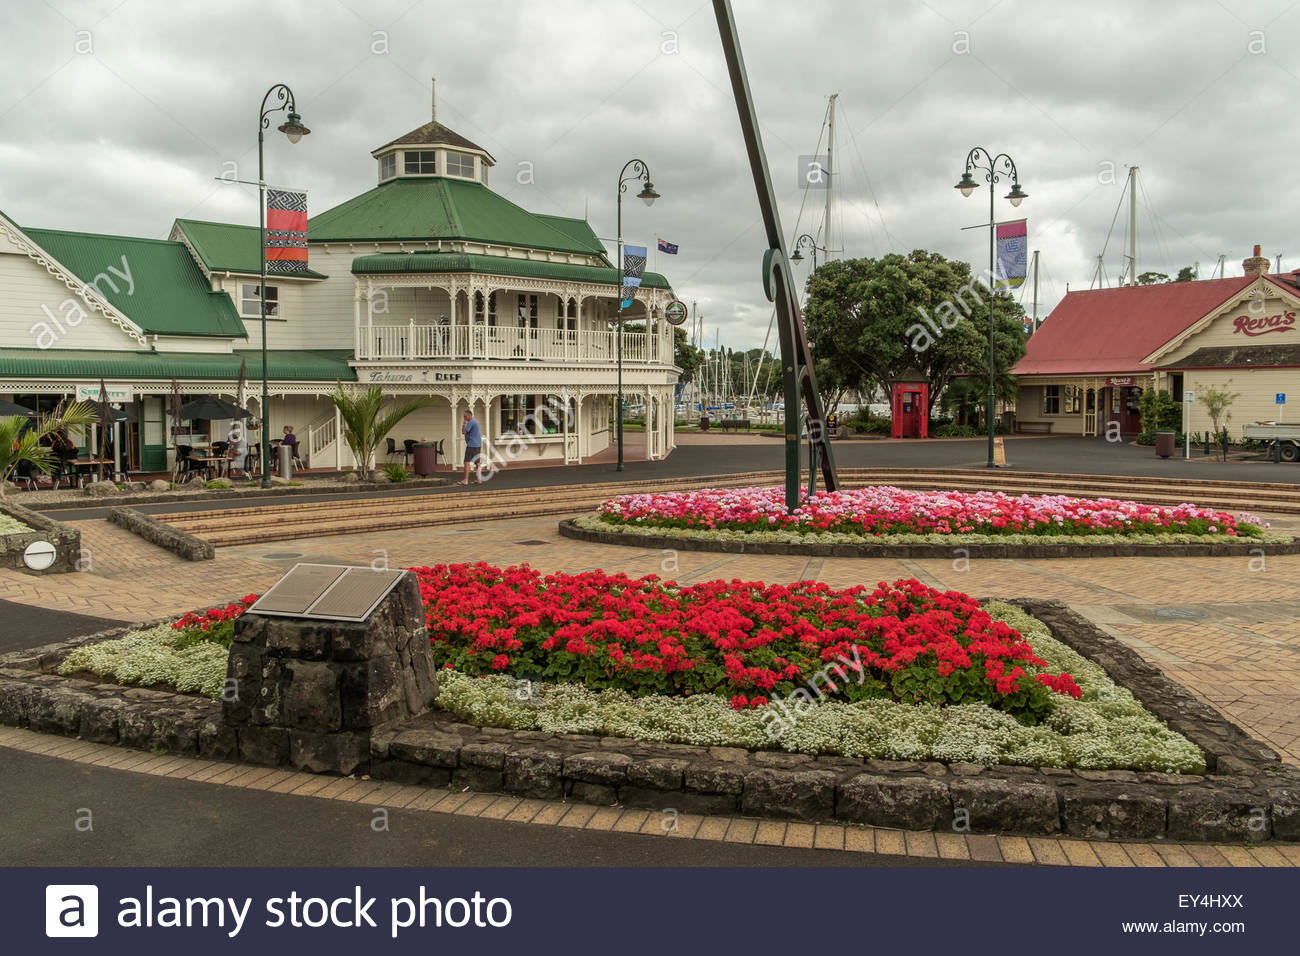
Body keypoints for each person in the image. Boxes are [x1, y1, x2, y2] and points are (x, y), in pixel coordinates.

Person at [461, 409, 482, 485]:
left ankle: (465, 480)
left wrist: (463, 424)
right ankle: (479, 479)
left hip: (472, 445)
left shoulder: (471, 422)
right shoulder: (474, 421)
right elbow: (464, 432)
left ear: (469, 415)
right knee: (477, 463)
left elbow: (463, 432)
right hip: (477, 445)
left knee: (466, 462)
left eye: (465, 416)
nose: (464, 418)